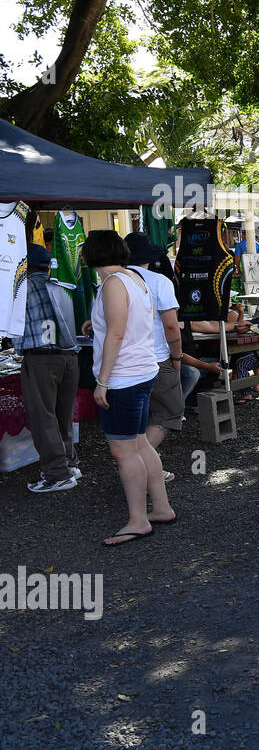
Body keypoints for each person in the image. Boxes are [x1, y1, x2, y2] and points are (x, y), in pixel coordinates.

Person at [82, 230, 175, 546]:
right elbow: (125, 325)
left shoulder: (112, 283)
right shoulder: (135, 277)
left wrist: (102, 381)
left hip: (124, 377)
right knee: (138, 443)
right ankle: (160, 507)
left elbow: (117, 335)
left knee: (123, 451)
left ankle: (138, 519)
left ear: (92, 254)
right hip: (142, 370)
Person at [16, 243, 80, 492]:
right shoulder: (62, 284)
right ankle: (69, 464)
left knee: (43, 417)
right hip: (69, 356)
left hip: (40, 357)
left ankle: (56, 474)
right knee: (63, 414)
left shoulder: (22, 288)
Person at [124, 234, 185, 482]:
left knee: (138, 416)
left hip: (125, 360)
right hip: (156, 356)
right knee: (169, 411)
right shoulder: (159, 281)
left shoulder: (111, 281)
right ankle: (141, 465)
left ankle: (138, 464)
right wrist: (177, 354)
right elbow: (171, 325)